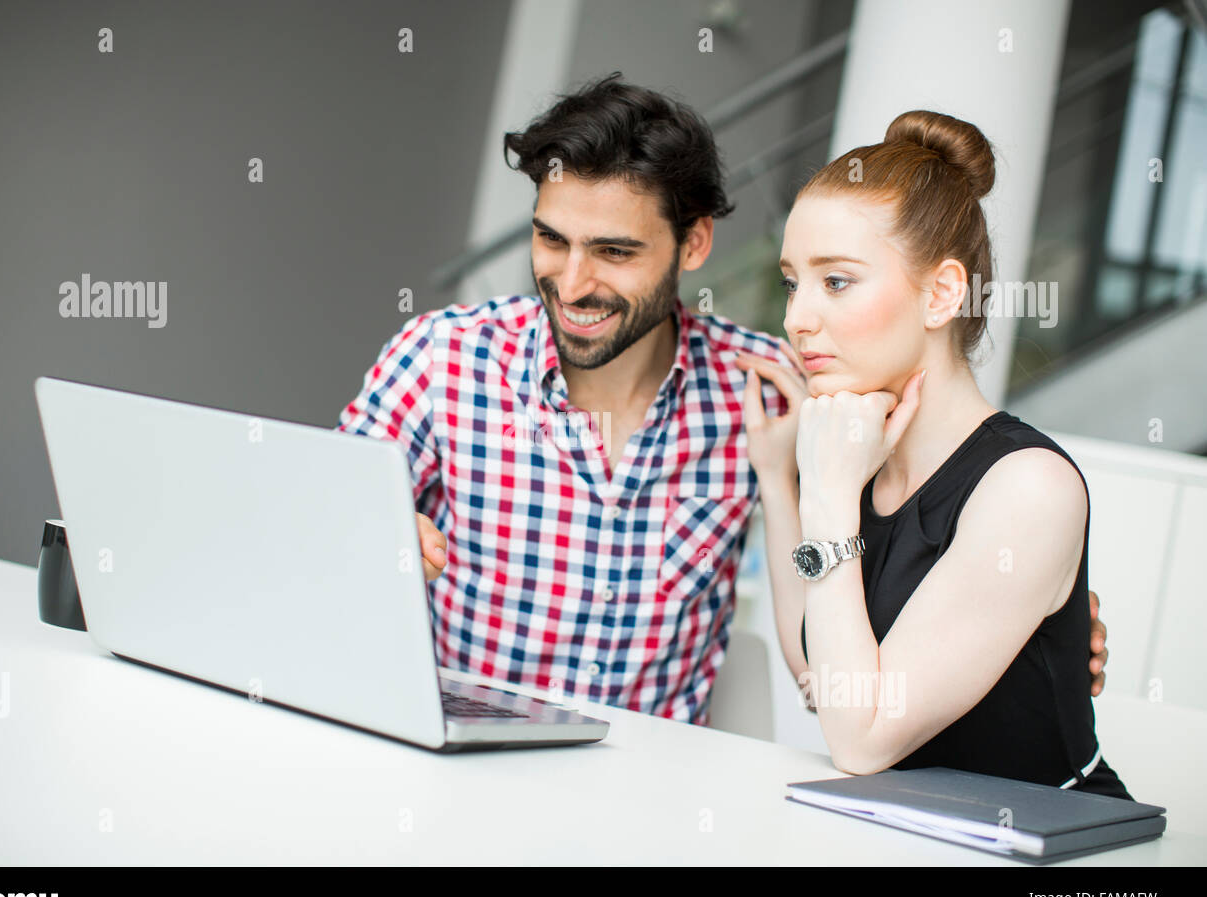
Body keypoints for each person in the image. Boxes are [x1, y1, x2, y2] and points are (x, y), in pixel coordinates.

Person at [337, 73, 1112, 728]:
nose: (571, 285)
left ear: (695, 243)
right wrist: (362, 536)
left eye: (614, 251)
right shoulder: (441, 359)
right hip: (451, 759)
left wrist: (1030, 612)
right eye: (551, 240)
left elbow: (904, 545)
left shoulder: (776, 388)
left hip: (656, 799)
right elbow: (297, 530)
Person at [736, 109, 1131, 797]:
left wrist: (827, 499)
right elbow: (815, 675)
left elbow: (860, 739)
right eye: (792, 283)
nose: (797, 318)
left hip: (1041, 850)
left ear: (943, 292)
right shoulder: (858, 456)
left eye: (836, 282)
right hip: (907, 830)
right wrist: (778, 477)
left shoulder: (1028, 486)